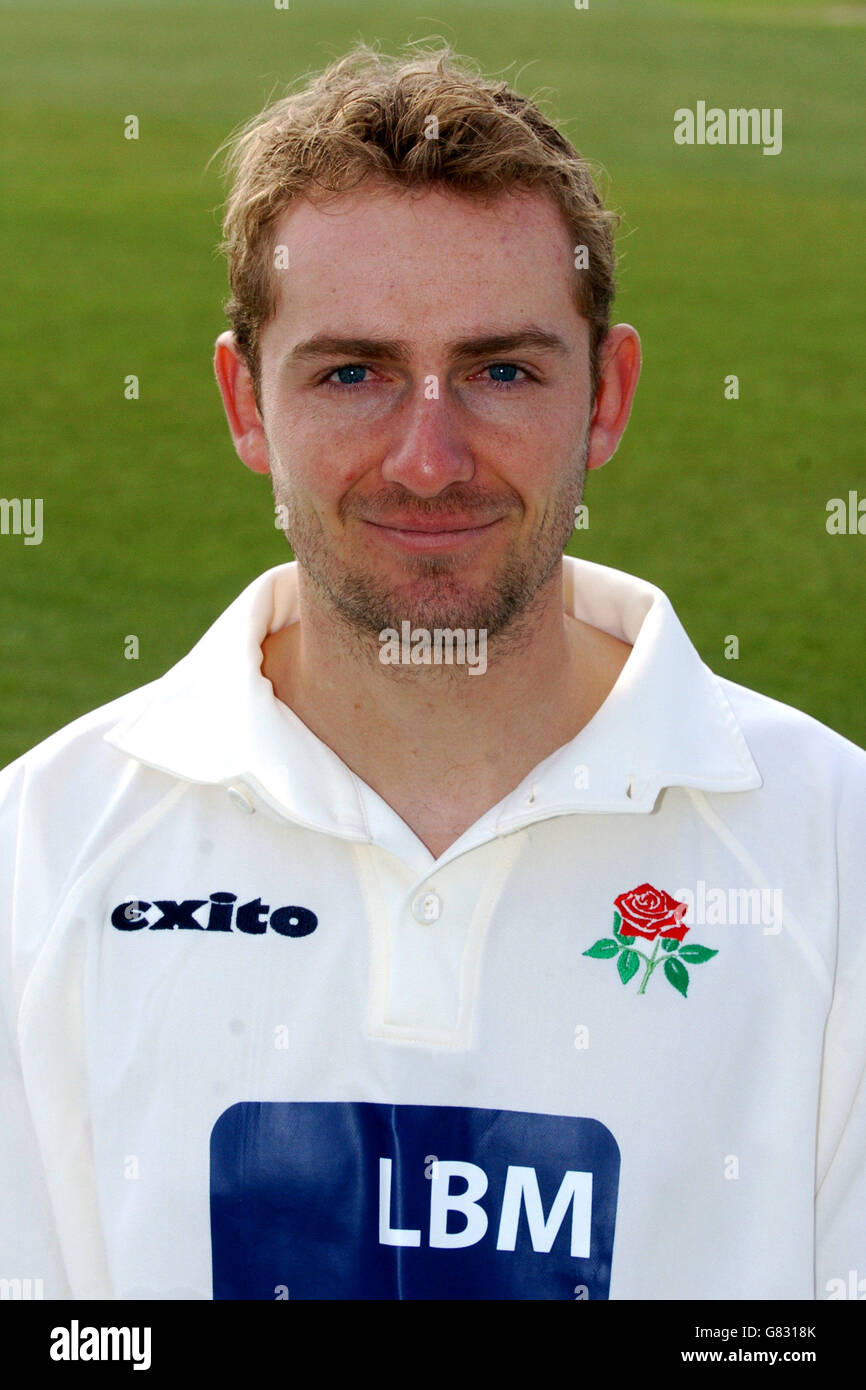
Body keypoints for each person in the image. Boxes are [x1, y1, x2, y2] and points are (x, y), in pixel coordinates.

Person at [1, 43, 863, 1303]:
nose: (425, 459)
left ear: (605, 398)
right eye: (351, 372)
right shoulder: (40, 857)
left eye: (500, 370)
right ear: (244, 402)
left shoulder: (833, 857)